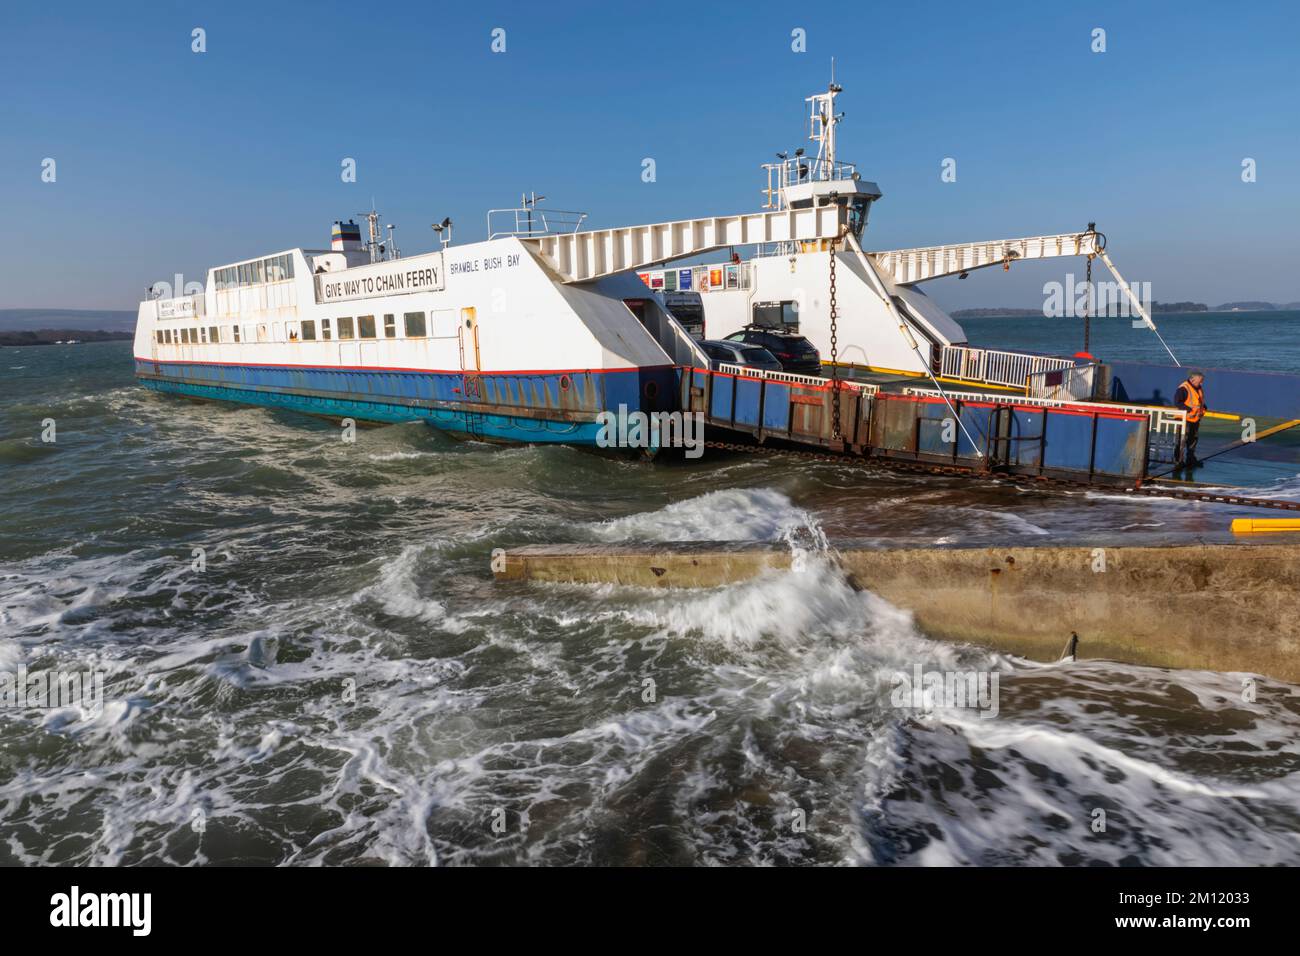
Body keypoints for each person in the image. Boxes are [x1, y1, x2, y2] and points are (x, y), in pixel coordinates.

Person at [1175, 370, 1207, 467]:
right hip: (1184, 419)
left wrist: (1204, 408)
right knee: (1181, 440)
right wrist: (1190, 410)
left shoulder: (1199, 388)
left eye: (1202, 381)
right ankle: (1178, 462)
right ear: (1192, 380)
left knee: (1193, 440)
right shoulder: (1184, 388)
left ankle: (1190, 459)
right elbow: (1178, 402)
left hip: (1195, 419)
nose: (1202, 383)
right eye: (1200, 381)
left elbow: (1199, 401)